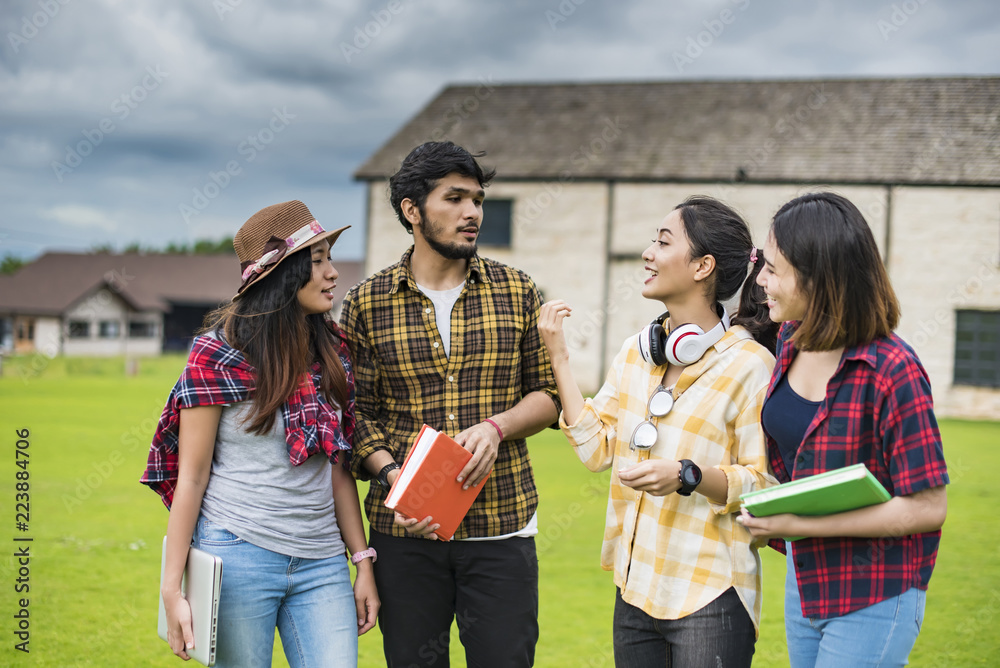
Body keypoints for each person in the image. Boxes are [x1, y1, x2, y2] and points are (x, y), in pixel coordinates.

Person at [338, 141, 560, 667]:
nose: (473, 213)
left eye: (478, 200)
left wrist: (497, 427)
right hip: (405, 539)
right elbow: (354, 414)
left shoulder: (517, 290)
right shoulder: (366, 304)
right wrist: (397, 480)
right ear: (412, 211)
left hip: (501, 528)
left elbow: (549, 395)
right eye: (455, 198)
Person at [538, 196, 779, 667]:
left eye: (663, 242)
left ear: (702, 266)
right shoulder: (636, 352)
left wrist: (689, 475)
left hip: (711, 593)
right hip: (634, 589)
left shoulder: (752, 365)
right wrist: (559, 358)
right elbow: (595, 448)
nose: (648, 252)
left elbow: (763, 485)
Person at [141, 201, 379, 667]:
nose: (333, 273)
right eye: (318, 260)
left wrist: (362, 561)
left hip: (322, 563)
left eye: (330, 258)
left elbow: (338, 467)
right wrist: (172, 589)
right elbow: (191, 477)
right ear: (283, 274)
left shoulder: (332, 351)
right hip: (237, 556)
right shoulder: (217, 355)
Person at [738, 192, 949, 667]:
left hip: (875, 588)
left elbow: (929, 508)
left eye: (773, 269)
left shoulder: (894, 369)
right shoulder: (791, 341)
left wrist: (800, 526)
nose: (761, 282)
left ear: (817, 278)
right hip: (807, 580)